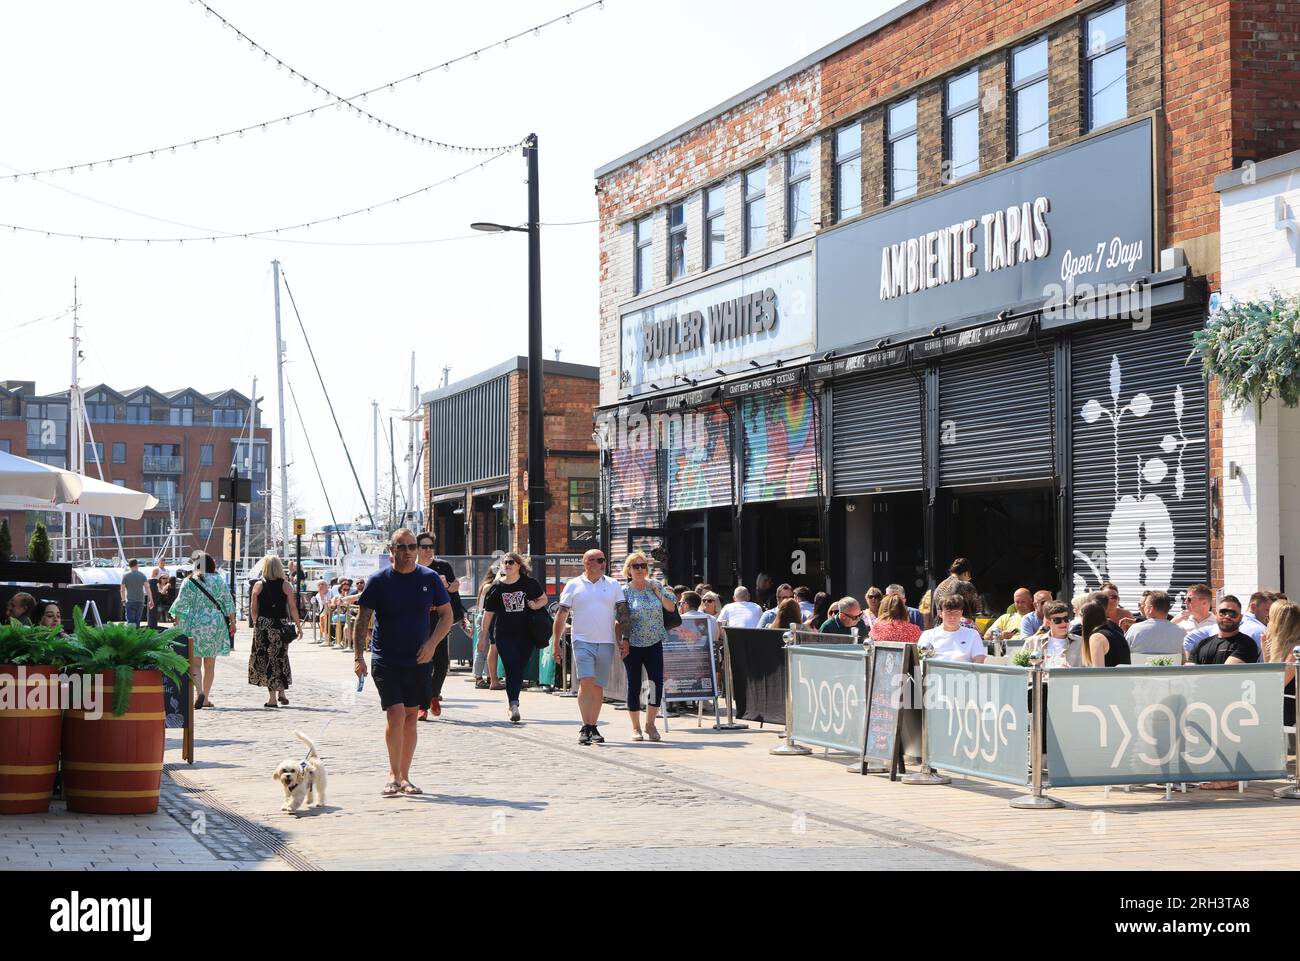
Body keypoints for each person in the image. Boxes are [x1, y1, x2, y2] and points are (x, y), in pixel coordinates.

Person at [352, 529, 454, 798]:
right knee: (395, 713)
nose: (408, 551)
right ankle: (392, 774)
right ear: (392, 551)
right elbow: (362, 620)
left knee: (411, 716)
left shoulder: (429, 579)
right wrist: (358, 657)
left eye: (412, 546)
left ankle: (405, 777)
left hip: (419, 659)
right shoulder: (379, 581)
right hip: (386, 658)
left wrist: (432, 644)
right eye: (402, 547)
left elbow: (447, 615)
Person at [552, 549, 626, 746]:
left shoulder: (613, 584)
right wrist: (556, 643)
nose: (602, 563)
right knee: (586, 681)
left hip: (606, 641)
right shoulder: (573, 585)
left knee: (598, 685)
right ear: (587, 563)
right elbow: (561, 615)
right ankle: (586, 726)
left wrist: (624, 639)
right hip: (581, 640)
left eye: (603, 560)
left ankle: (593, 726)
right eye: (598, 560)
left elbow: (623, 614)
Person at [480, 552, 547, 724]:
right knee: (512, 668)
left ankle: (513, 702)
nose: (507, 565)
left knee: (519, 668)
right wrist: (482, 638)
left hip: (527, 634)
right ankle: (514, 704)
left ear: (519, 565)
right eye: (505, 562)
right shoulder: (496, 587)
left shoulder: (529, 583)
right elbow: (488, 615)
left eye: (511, 562)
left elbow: (543, 599)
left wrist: (535, 604)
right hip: (504, 635)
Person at [618, 551, 677, 742]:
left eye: (643, 565)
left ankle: (650, 724)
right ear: (629, 570)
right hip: (632, 644)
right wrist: (621, 642)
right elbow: (618, 620)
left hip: (654, 643)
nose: (640, 569)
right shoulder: (624, 592)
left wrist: (658, 593)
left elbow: (671, 608)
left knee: (655, 685)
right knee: (634, 685)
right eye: (636, 566)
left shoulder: (656, 585)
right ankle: (635, 727)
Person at [169, 551, 236, 710]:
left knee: (195, 663)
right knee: (210, 664)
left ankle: (198, 691)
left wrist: (176, 623)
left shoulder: (189, 581)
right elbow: (228, 602)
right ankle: (205, 698)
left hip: (194, 622)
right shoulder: (219, 580)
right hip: (215, 622)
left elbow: (180, 604)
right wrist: (233, 622)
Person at [417, 531, 464, 720]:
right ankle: (422, 705)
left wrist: (446, 585)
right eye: (424, 547)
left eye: (431, 547)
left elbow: (455, 586)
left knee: (442, 661)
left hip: (440, 619)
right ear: (417, 549)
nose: (428, 550)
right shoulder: (412, 568)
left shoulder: (442, 566)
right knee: (422, 662)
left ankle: (433, 695)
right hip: (418, 621)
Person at [249, 554, 301, 708]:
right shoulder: (286, 585)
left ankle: (272, 698)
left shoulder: (258, 585)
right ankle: (282, 693)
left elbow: (253, 610)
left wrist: (258, 624)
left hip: (264, 626)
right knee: (281, 657)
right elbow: (292, 608)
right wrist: (298, 625)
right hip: (281, 626)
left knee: (267, 660)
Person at [1187, 596, 1257, 666]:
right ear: (1216, 615)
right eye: (1223, 612)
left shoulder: (1246, 644)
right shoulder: (1201, 644)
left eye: (1232, 613)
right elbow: (1190, 672)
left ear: (1240, 617)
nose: (1227, 616)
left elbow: (1225, 672)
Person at [918, 595, 986, 663]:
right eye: (948, 612)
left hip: (963, 673)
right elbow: (921, 661)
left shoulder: (973, 634)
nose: (952, 616)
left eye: (956, 612)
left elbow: (979, 660)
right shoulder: (928, 635)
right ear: (940, 613)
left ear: (961, 613)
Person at [1263, 601, 1299, 728]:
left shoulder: (1296, 649)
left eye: (1269, 618)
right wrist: (1266, 650)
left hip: (1292, 718)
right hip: (1286, 715)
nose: (1267, 622)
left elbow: (1276, 682)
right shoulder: (1284, 646)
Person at [1021, 601, 1083, 668]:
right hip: (1041, 678)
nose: (1063, 623)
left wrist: (1071, 671)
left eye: (1066, 619)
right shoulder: (1032, 642)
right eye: (1057, 620)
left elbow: (1089, 669)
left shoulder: (1081, 642)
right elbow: (1021, 666)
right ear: (1048, 622)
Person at [1125, 590, 1185, 656]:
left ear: (1150, 609)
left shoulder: (1135, 629)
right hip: (1171, 665)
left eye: (1145, 605)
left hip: (1140, 666)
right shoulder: (1181, 632)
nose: (1144, 608)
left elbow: (1123, 653)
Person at [472, 566, 501, 689]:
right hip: (483, 617)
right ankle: (478, 677)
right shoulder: (487, 586)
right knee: (482, 649)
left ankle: (490, 676)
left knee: (490, 649)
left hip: (490, 618)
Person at [1080, 599, 1131, 667]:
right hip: (1123, 676)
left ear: (1084, 617)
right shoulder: (1115, 631)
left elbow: (1099, 672)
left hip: (1111, 677)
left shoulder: (1096, 637)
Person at [120, 559, 153, 627]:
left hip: (130, 601)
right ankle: (137, 635)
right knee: (137, 620)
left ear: (129, 566)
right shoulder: (142, 575)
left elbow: (122, 590)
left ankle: (131, 635)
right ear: (137, 565)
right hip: (140, 601)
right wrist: (151, 600)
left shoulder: (125, 576)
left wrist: (123, 600)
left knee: (130, 621)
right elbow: (147, 588)